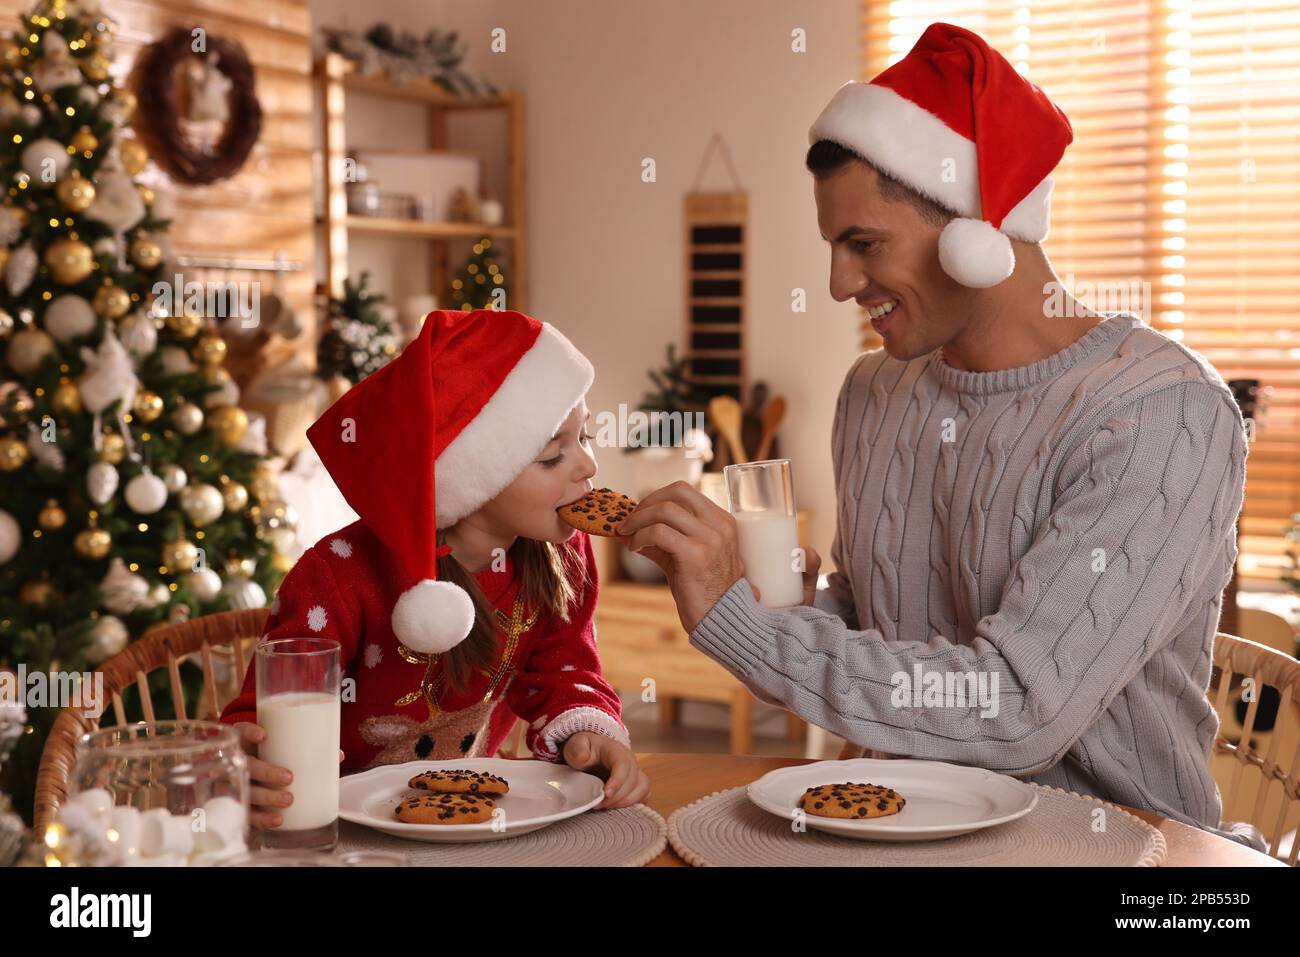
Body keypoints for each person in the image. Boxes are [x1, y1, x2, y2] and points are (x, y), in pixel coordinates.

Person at [619, 22, 1259, 849]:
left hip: (1117, 853)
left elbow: (1017, 709)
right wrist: (779, 595)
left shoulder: (1160, 416)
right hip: (894, 831)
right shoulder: (875, 393)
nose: (839, 282)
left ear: (974, 230)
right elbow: (870, 629)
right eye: (833, 246)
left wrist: (742, 623)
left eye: (864, 244)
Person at [221, 309, 649, 830]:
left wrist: (591, 733)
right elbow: (268, 709)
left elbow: (567, 673)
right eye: (551, 456)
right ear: (473, 481)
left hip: (477, 824)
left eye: (584, 438)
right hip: (340, 826)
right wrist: (248, 759)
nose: (588, 466)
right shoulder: (336, 575)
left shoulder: (565, 553)